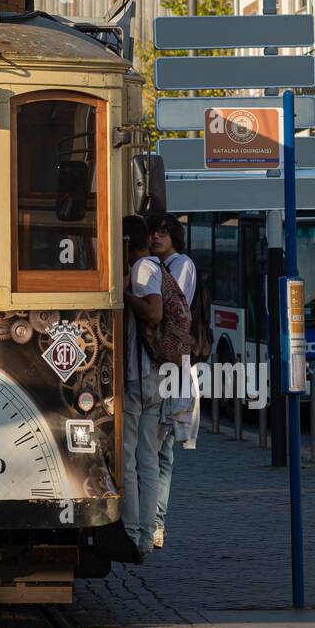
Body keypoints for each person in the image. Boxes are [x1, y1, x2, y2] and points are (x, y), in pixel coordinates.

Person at [148, 213, 200, 549]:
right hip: (164, 362)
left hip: (171, 363)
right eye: (153, 233)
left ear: (175, 237)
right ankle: (153, 519)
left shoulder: (180, 265)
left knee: (162, 446)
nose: (156, 238)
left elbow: (173, 305)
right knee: (158, 446)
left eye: (163, 233)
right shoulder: (157, 264)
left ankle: (156, 521)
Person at [121, 214, 163, 557]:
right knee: (147, 458)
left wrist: (124, 295)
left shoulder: (142, 269)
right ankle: (146, 534)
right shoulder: (151, 266)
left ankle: (134, 533)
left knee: (130, 458)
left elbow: (154, 313)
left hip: (139, 375)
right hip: (153, 376)